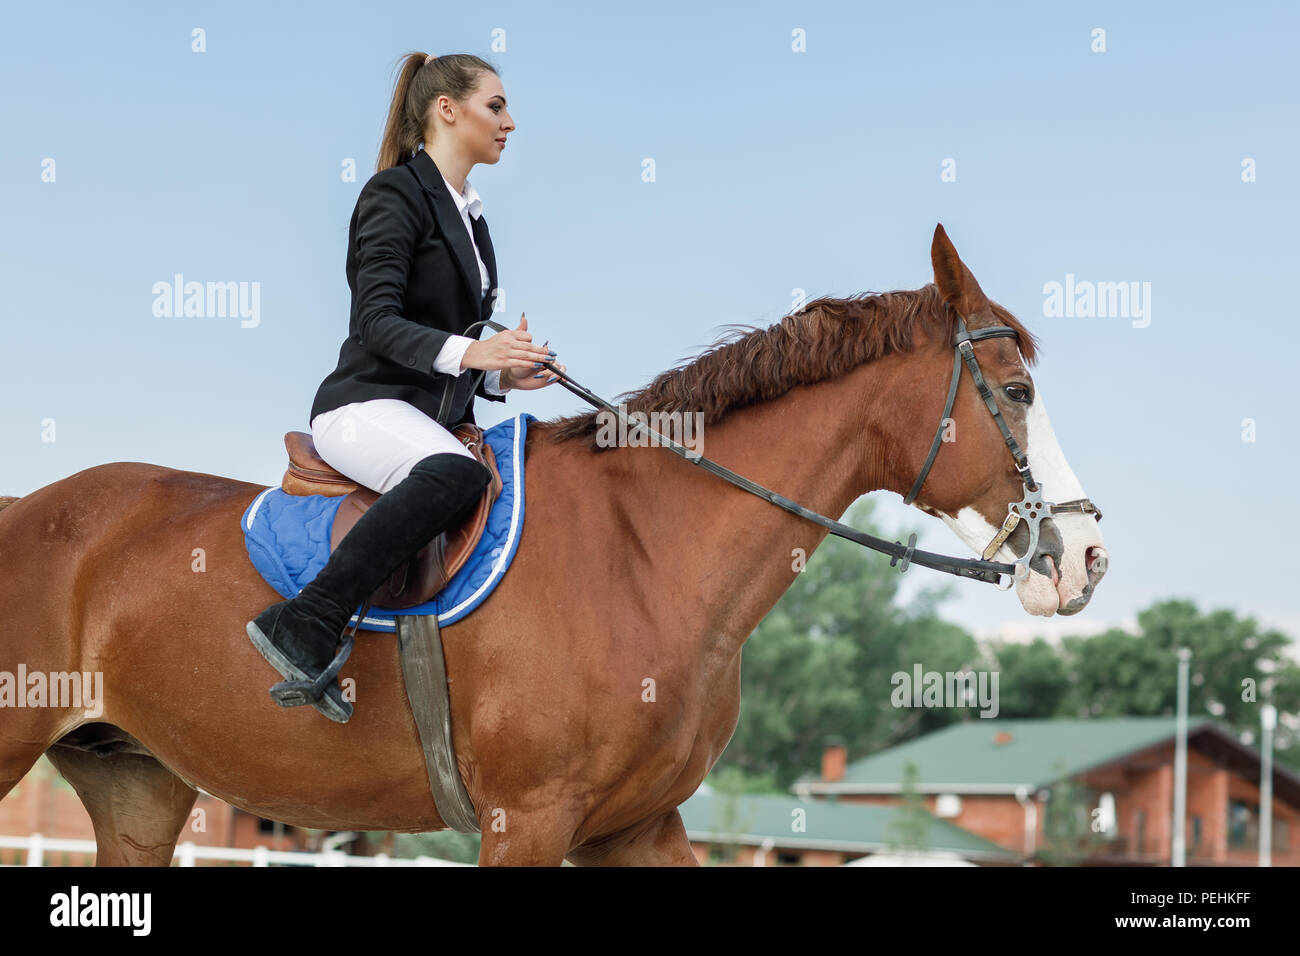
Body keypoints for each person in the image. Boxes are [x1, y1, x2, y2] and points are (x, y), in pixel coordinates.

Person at [247, 51, 564, 723]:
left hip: (420, 412)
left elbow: (449, 344)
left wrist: (502, 373)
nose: (511, 122)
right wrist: (477, 350)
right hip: (362, 407)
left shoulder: (473, 217)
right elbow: (376, 321)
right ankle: (304, 624)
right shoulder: (393, 193)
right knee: (456, 474)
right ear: (446, 110)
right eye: (496, 106)